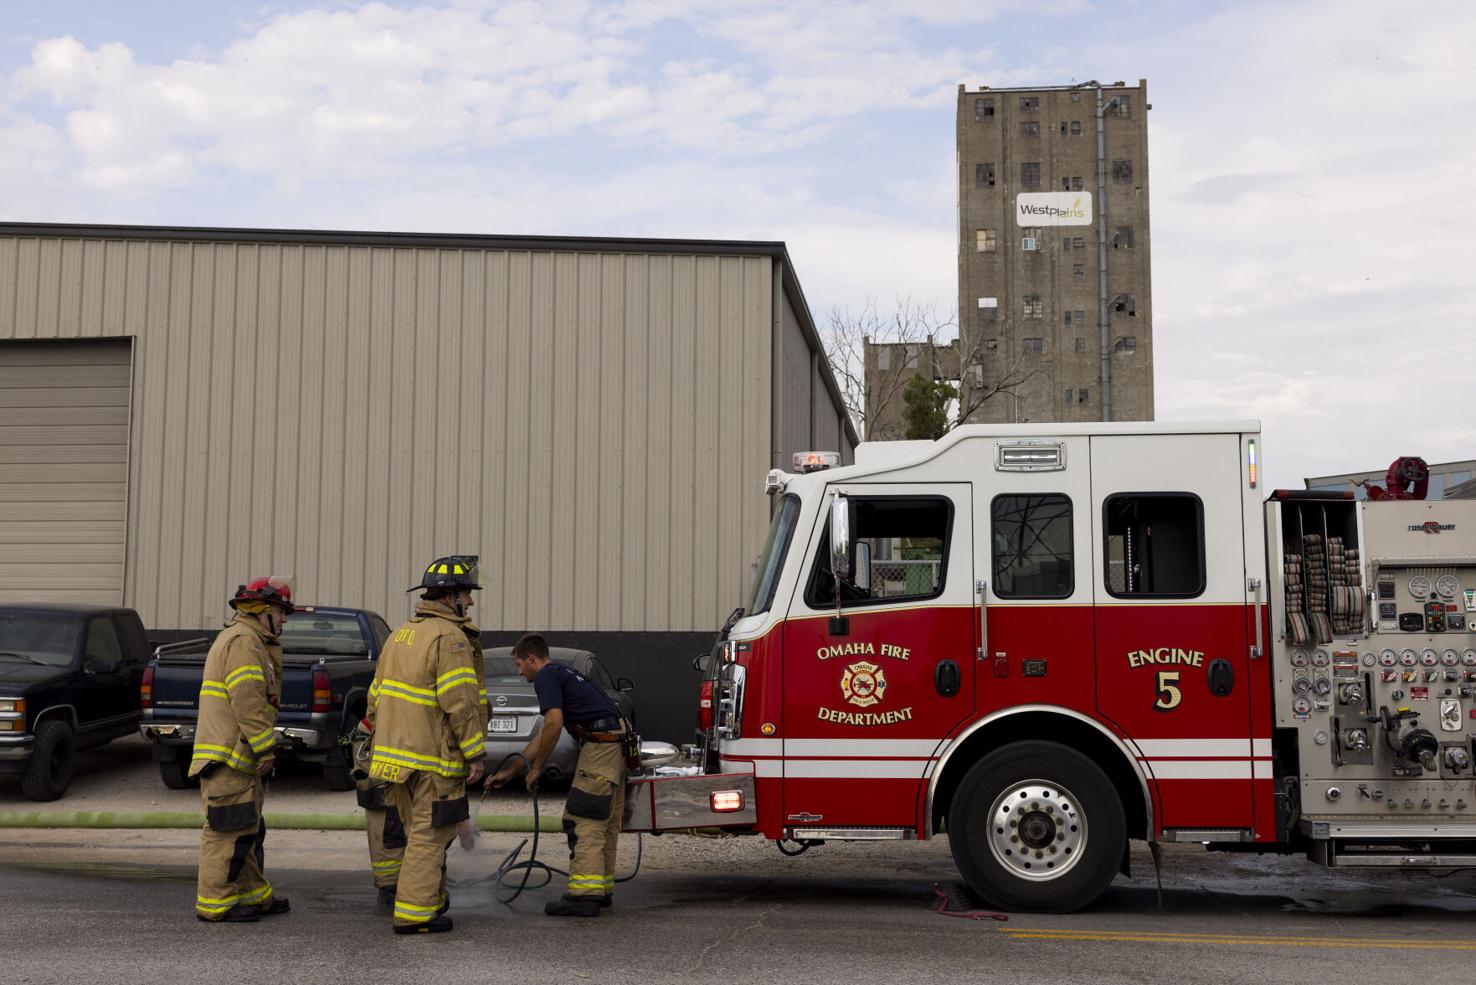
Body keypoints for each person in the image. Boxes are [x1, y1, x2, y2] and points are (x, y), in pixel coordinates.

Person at [354, 554, 484, 907]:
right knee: (430, 837)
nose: (470, 601)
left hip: (394, 762)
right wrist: (475, 754)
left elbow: (374, 700)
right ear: (450, 596)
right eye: (467, 594)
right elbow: (461, 704)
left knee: (417, 835)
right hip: (432, 761)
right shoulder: (450, 638)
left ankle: (430, 898)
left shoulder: (399, 636)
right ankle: (416, 912)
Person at [486, 633, 629, 917]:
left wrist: (538, 768)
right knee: (603, 822)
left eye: (518, 665)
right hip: (616, 745)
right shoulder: (565, 672)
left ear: (531, 658)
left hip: (601, 747)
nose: (519, 671)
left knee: (583, 820)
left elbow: (553, 722)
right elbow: (543, 735)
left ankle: (584, 896)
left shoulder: (546, 675)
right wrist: (512, 772)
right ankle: (600, 890)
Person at [189, 576, 296, 923]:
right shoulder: (243, 642)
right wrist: (266, 749)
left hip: (236, 756)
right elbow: (248, 700)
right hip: (228, 758)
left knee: (246, 830)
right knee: (227, 832)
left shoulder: (250, 640)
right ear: (262, 610)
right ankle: (215, 903)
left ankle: (255, 895)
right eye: (281, 612)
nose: (284, 620)